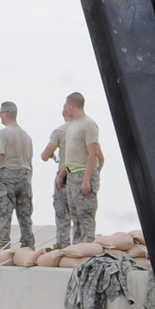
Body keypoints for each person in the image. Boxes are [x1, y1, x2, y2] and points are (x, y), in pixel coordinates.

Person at [40, 92, 104, 248]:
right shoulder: (72, 126)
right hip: (71, 174)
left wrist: (87, 178)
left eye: (66, 104)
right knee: (75, 215)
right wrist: (61, 175)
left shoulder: (88, 124)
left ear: (71, 104)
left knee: (85, 215)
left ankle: (88, 247)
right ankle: (77, 247)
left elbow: (93, 154)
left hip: (83, 173)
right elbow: (70, 158)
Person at [0, 101, 35, 250]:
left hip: (7, 175)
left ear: (5, 113)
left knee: (5, 216)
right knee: (25, 217)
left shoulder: (3, 133)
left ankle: (3, 247)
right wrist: (28, 181)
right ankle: (28, 247)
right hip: (24, 177)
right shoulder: (26, 136)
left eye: (0, 113)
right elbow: (30, 163)